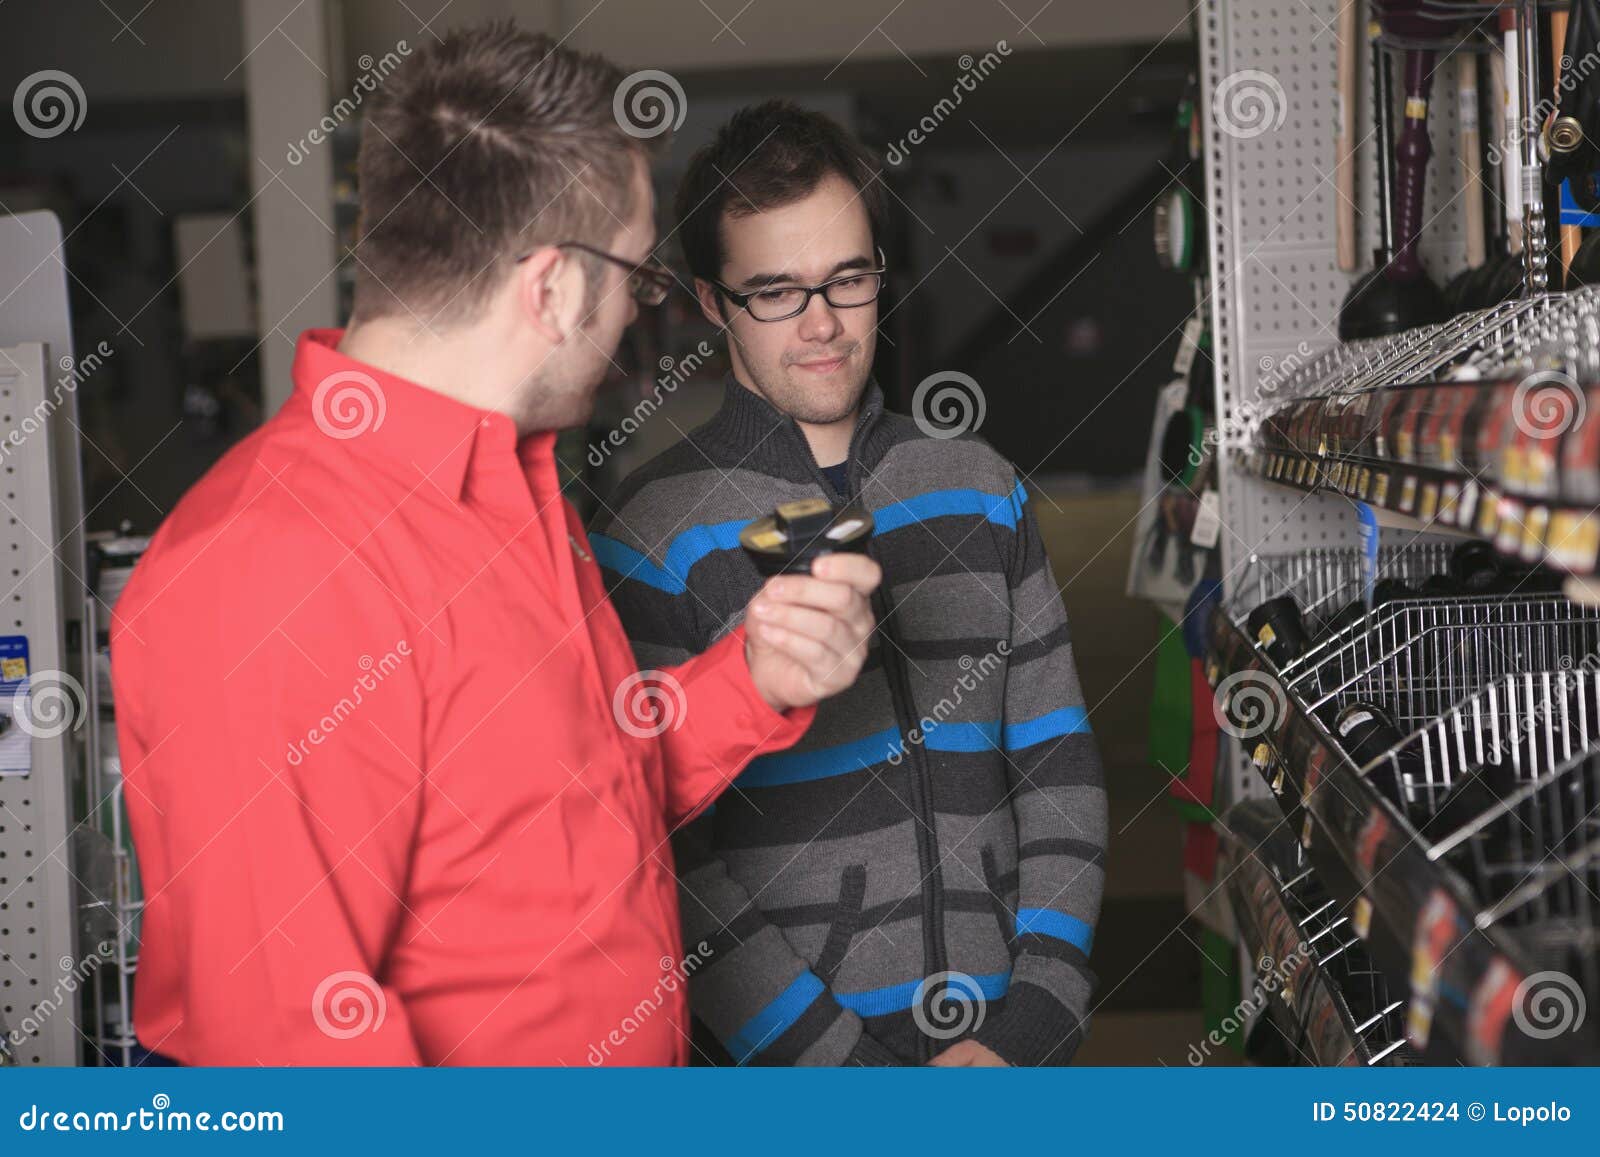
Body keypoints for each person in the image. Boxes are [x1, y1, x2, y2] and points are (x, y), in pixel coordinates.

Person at [109, 27, 879, 1067]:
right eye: (635, 277)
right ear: (554, 287)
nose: (633, 313)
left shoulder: (512, 485)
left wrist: (751, 678)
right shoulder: (268, 565)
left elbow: (570, 805)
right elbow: (289, 1053)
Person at [591, 100, 1107, 1067]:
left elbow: (1057, 767)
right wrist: (843, 1071)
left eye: (848, 278)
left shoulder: (979, 486)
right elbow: (668, 854)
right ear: (712, 302)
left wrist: (1035, 1014)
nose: (823, 323)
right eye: (776, 291)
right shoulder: (646, 534)